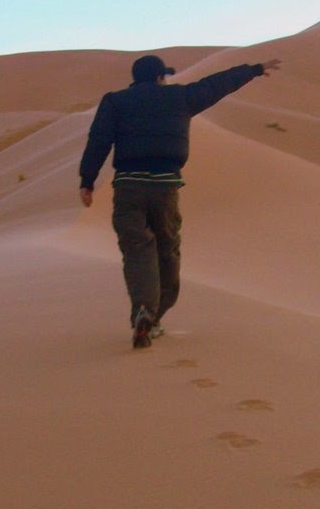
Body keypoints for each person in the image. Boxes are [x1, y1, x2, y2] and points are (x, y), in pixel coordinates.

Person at [79, 54, 282, 348]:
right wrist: (254, 69)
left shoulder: (115, 101)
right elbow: (216, 85)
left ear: (135, 78)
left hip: (129, 187)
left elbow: (98, 140)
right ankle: (155, 316)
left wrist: (87, 181)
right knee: (167, 250)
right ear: (162, 76)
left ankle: (143, 309)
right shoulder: (180, 97)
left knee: (137, 248)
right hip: (165, 188)